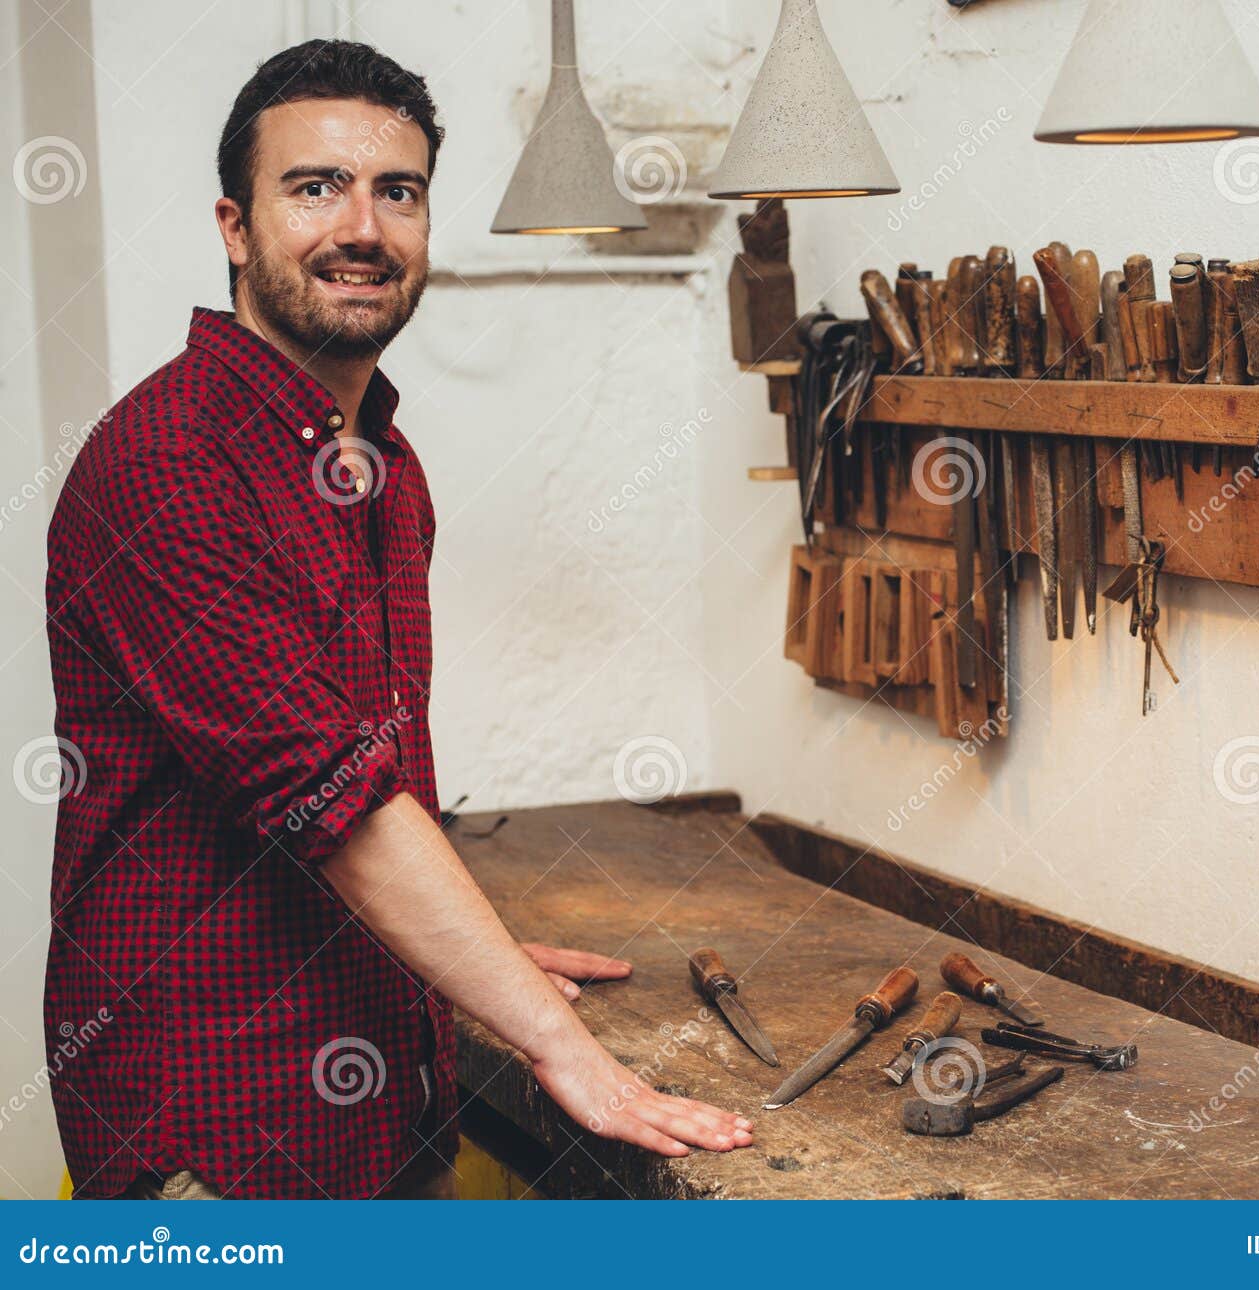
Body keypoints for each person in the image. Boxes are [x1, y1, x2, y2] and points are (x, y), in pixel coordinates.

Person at [43, 38, 751, 1200]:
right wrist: (556, 1043)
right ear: (235, 225)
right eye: (315, 186)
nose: (361, 226)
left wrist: (467, 959)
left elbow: (365, 767)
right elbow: (332, 797)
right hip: (215, 1129)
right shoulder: (170, 462)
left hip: (382, 1089)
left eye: (398, 191)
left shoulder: (378, 462)